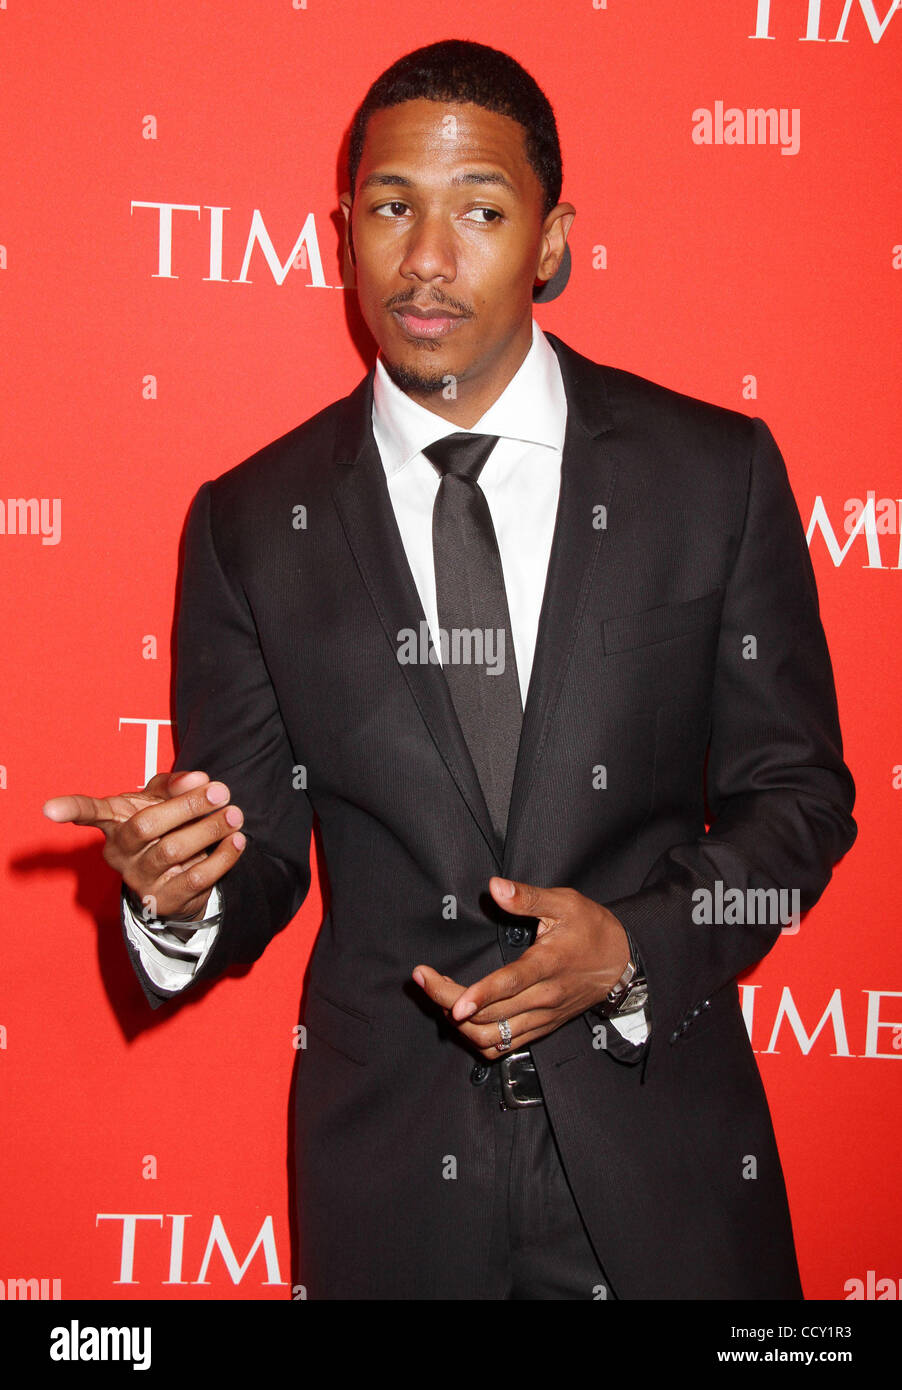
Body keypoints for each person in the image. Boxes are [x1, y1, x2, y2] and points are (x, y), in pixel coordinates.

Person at [44, 39, 856, 1300]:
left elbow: (799, 797)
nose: (425, 257)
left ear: (550, 239)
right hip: (390, 1201)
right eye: (389, 209)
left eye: (478, 209)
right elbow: (254, 858)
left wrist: (633, 948)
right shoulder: (252, 523)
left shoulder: (711, 473)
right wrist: (176, 891)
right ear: (341, 232)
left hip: (668, 1169)